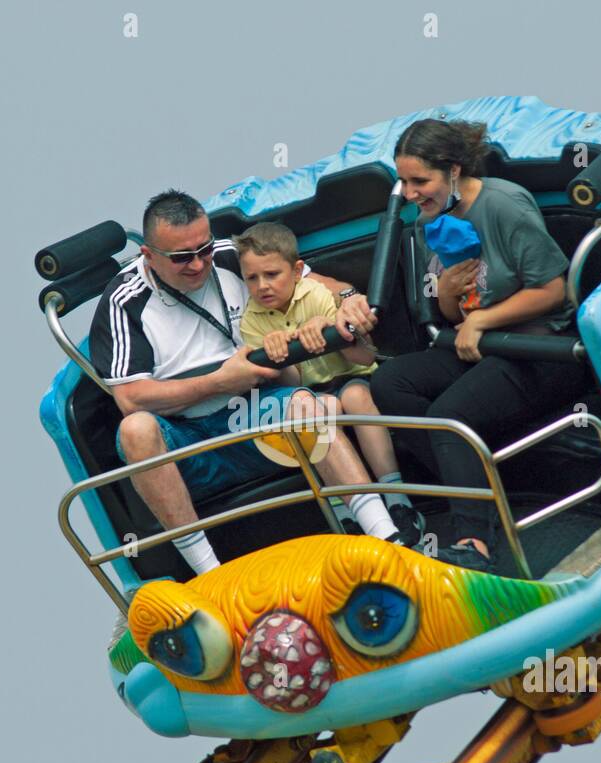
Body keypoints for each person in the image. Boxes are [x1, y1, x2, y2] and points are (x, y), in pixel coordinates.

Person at [87, 190, 409, 576]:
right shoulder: (124, 300)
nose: (198, 264)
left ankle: (388, 540)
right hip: (187, 441)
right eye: (182, 257)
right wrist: (220, 381)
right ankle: (211, 576)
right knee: (134, 429)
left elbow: (317, 283)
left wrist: (350, 299)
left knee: (306, 405)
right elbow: (130, 399)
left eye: (203, 250)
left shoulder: (228, 255)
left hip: (250, 416)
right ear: (149, 256)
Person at [370, 119, 587, 573]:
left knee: (450, 414)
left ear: (452, 171)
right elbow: (454, 313)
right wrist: (448, 292)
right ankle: (483, 487)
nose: (410, 194)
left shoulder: (504, 205)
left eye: (419, 181)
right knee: (391, 382)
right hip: (481, 345)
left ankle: (476, 541)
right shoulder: (436, 219)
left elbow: (554, 290)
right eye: (404, 182)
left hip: (538, 347)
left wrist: (483, 320)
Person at [235, 221, 424, 545]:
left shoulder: (319, 295)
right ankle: (346, 509)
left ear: (297, 271)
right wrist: (278, 355)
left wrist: (329, 330)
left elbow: (363, 359)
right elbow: (291, 383)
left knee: (355, 397)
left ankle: (396, 497)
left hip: (351, 377)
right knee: (323, 407)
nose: (263, 286)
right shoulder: (251, 321)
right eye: (252, 278)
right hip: (311, 394)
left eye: (272, 274)